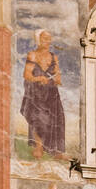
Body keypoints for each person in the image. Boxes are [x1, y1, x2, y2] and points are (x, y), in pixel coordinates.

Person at [20, 30, 64, 158]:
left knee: (57, 118)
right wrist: (38, 78)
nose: (48, 41)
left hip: (51, 93)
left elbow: (58, 75)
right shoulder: (32, 55)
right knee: (38, 119)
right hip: (36, 93)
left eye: (49, 39)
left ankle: (56, 151)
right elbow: (26, 74)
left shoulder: (54, 57)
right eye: (45, 38)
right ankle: (38, 147)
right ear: (38, 39)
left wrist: (57, 79)